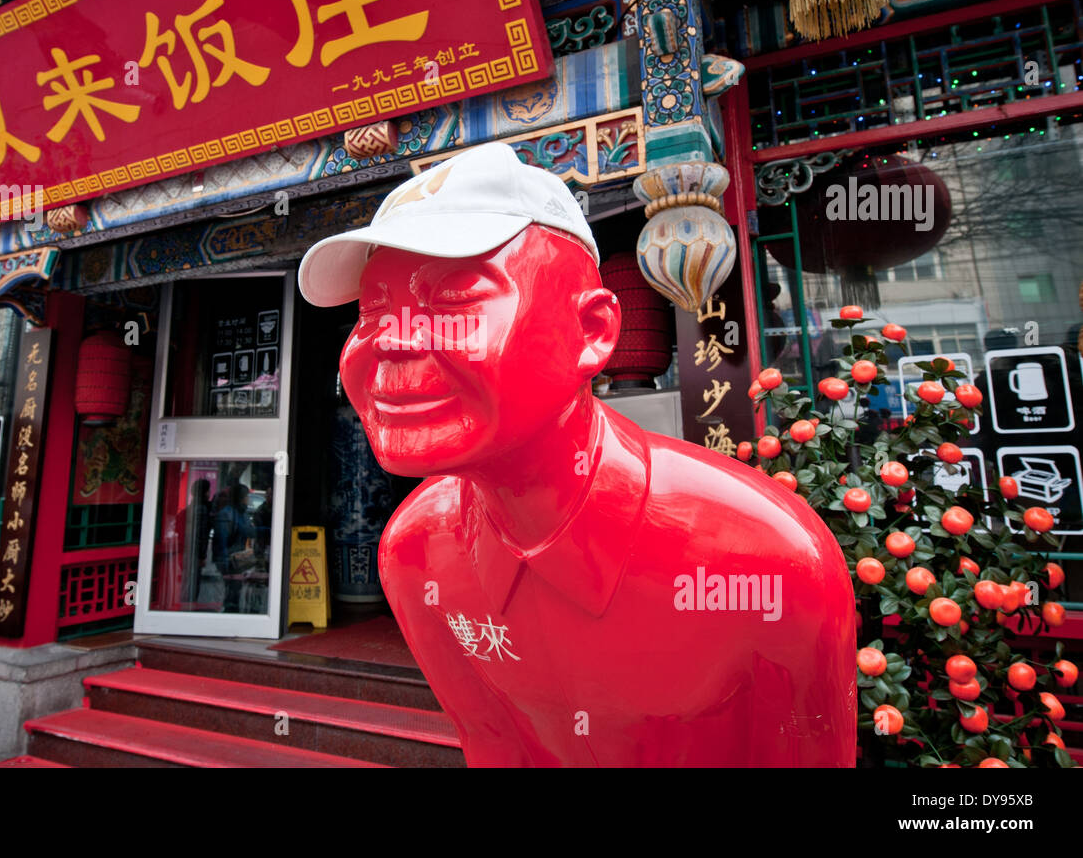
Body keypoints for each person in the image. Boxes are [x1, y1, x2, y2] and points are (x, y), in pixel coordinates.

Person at [298, 141, 856, 766]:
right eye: (373, 310)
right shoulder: (415, 554)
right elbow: (491, 744)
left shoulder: (769, 560)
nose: (391, 342)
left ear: (591, 333)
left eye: (454, 302)